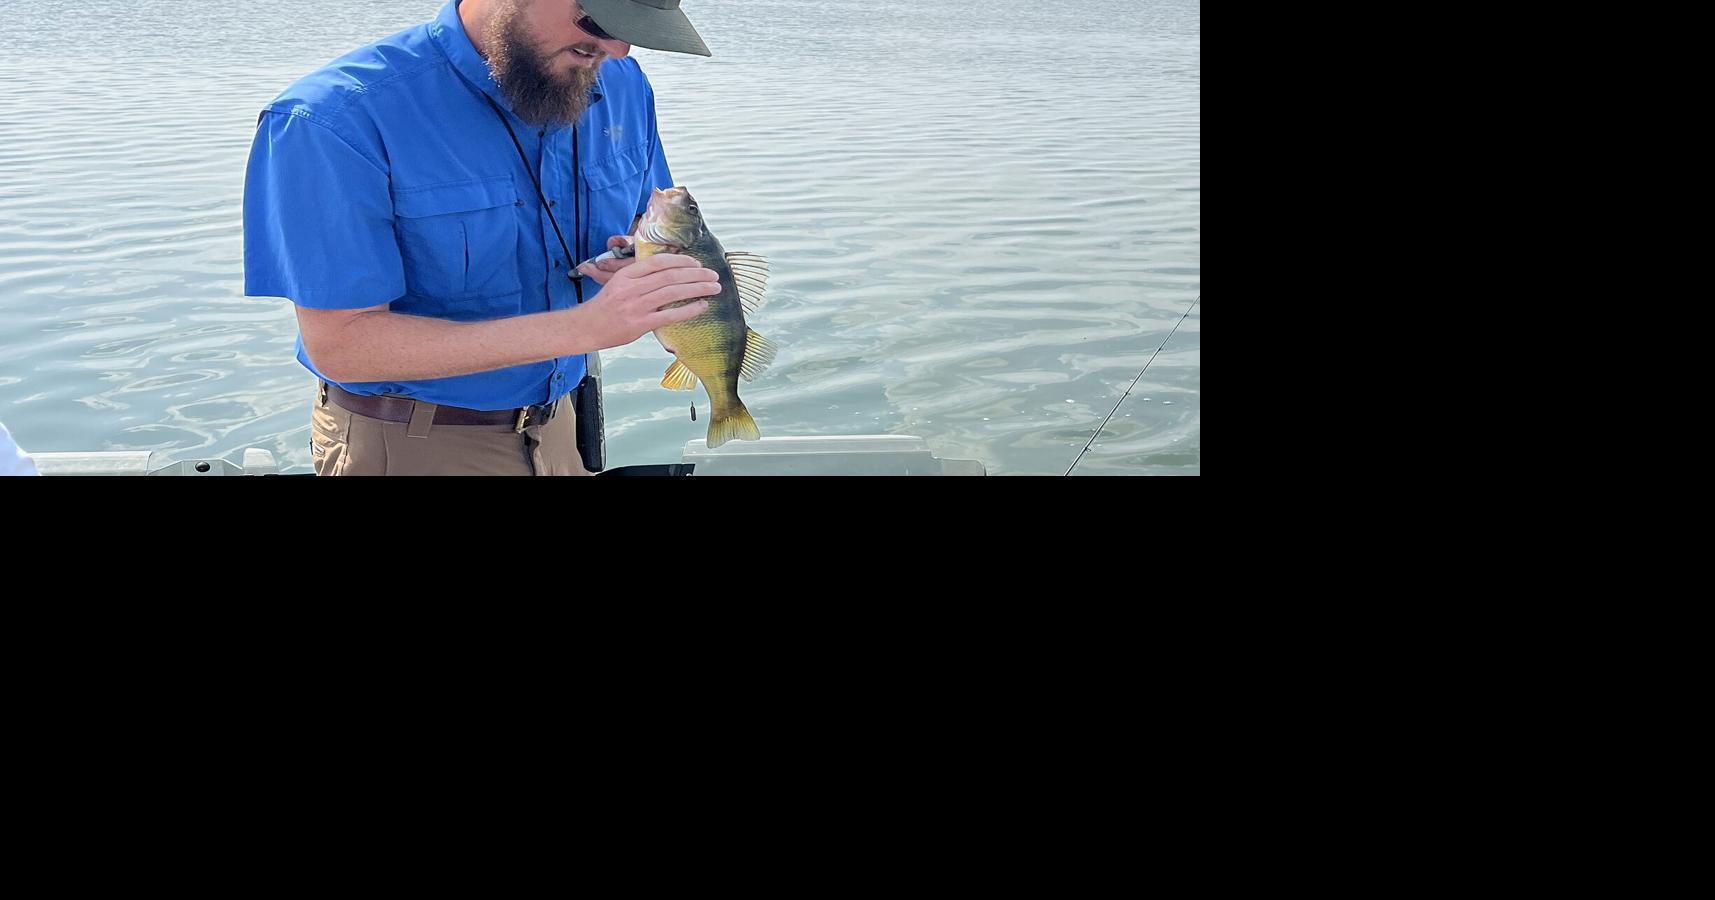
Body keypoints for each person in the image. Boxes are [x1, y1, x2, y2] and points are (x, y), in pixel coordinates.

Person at [244, 0, 719, 475]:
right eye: (595, 22)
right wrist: (583, 327)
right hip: (413, 445)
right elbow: (342, 347)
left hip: (559, 432)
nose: (615, 49)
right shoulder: (330, 120)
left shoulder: (622, 82)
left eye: (634, 30)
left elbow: (645, 219)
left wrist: (636, 260)